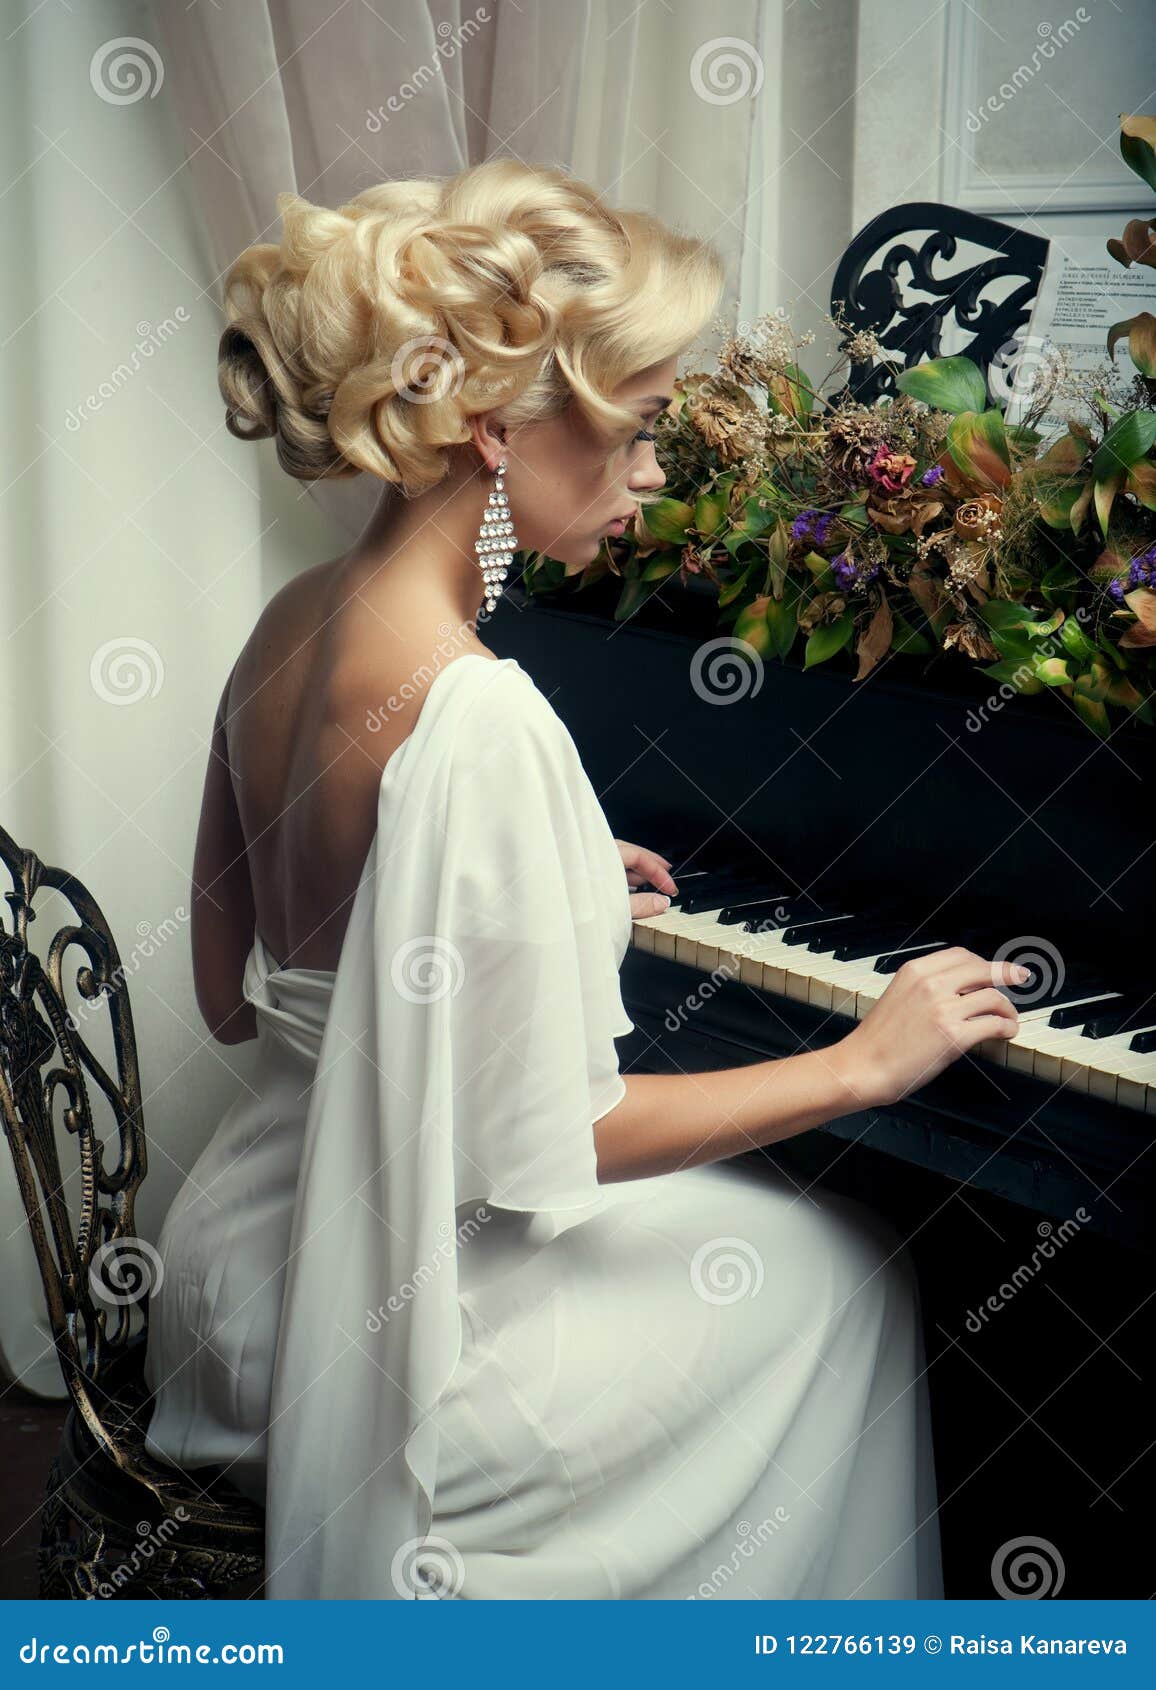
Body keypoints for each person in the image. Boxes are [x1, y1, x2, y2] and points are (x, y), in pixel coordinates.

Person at [143, 157, 1023, 1601]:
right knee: (852, 1277)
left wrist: (528, 881)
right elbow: (554, 1142)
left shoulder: (291, 619)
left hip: (234, 1264)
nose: (655, 478)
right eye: (637, 431)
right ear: (492, 429)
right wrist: (866, 1062)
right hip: (390, 1335)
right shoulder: (479, 712)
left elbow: (229, 995)